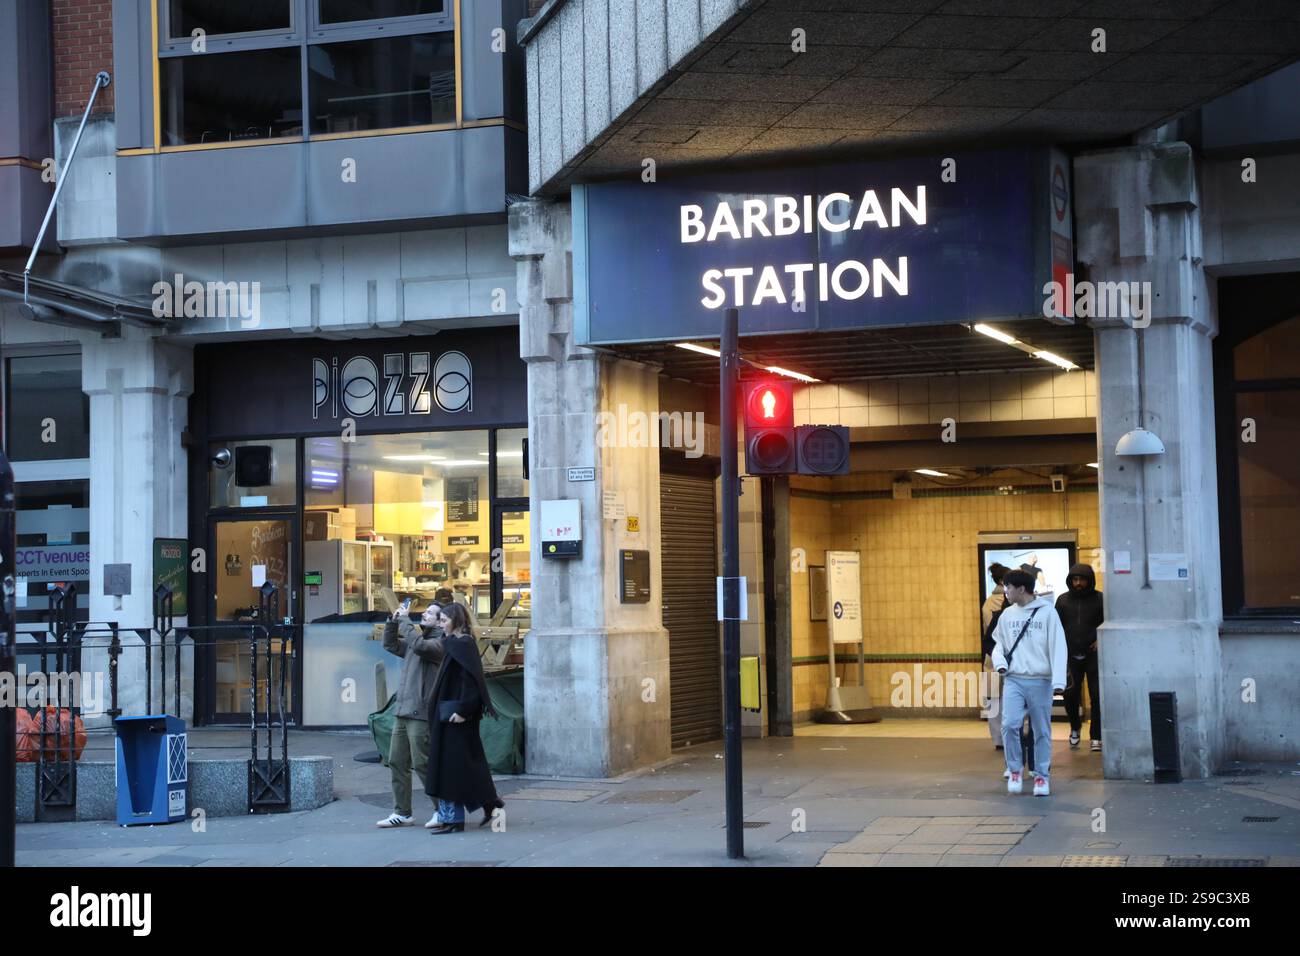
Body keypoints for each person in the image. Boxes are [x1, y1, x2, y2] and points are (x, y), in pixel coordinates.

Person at [424, 602, 505, 833]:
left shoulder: (463, 644)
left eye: (444, 620)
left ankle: (455, 820)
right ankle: (490, 803)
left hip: (456, 716)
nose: (441, 624)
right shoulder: (455, 643)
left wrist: (463, 711)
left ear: (456, 621)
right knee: (466, 765)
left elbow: (471, 682)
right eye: (440, 620)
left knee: (452, 768)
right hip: (450, 713)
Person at [991, 569, 1067, 797]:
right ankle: (1015, 770)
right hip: (1013, 679)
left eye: (1008, 587)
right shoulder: (1006, 615)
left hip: (1040, 680)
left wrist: (1058, 681)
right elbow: (998, 645)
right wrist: (1000, 664)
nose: (1006, 591)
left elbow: (1058, 646)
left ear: (1021, 589)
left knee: (1041, 730)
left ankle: (1041, 776)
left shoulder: (1048, 613)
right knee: (1009, 725)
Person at [376, 601, 446, 828]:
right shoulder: (417, 640)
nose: (425, 614)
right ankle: (402, 812)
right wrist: (392, 621)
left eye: (431, 613)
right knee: (396, 761)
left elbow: (419, 645)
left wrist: (405, 620)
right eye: (426, 611)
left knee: (422, 763)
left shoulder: (439, 643)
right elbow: (389, 644)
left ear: (440, 621)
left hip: (421, 711)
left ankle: (443, 809)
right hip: (403, 709)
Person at [1056, 562, 1104, 752]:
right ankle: (1075, 727)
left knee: (1097, 695)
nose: (1078, 583)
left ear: (1089, 580)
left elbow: (1108, 622)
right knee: (1069, 695)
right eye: (1075, 579)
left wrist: (1100, 639)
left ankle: (1096, 736)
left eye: (1082, 579)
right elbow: (1056, 626)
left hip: (1094, 655)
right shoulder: (1062, 600)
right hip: (1069, 655)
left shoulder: (1100, 599)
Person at [980, 563, 1011, 749]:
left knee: (993, 700)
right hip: (1005, 655)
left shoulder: (988, 602)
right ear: (1002, 581)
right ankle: (1012, 736)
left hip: (990, 657)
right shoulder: (1009, 602)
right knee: (1011, 698)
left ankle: (998, 740)